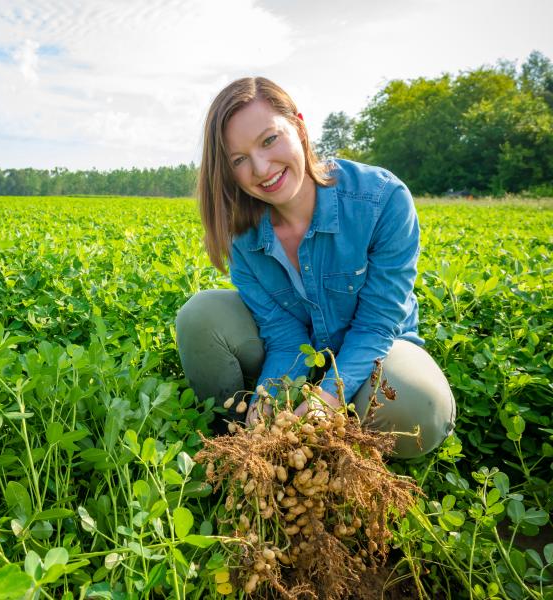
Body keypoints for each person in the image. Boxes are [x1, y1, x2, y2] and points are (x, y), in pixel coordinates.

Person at [175, 77, 456, 459]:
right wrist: (270, 396)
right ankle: (238, 439)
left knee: (422, 409)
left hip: (376, 349)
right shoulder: (242, 232)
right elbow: (282, 333)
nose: (261, 168)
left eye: (269, 140)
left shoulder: (381, 199)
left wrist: (328, 398)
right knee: (199, 314)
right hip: (295, 351)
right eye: (239, 160)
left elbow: (376, 324)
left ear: (300, 127)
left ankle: (338, 446)